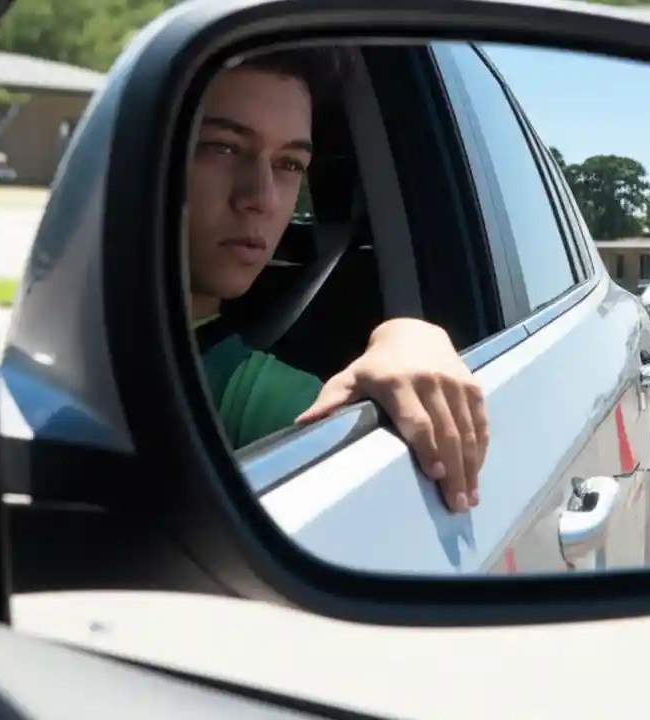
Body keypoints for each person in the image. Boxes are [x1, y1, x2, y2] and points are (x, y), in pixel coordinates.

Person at [184, 46, 487, 514]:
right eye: (222, 147)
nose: (261, 198)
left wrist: (407, 333)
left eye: (289, 165)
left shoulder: (262, 403)